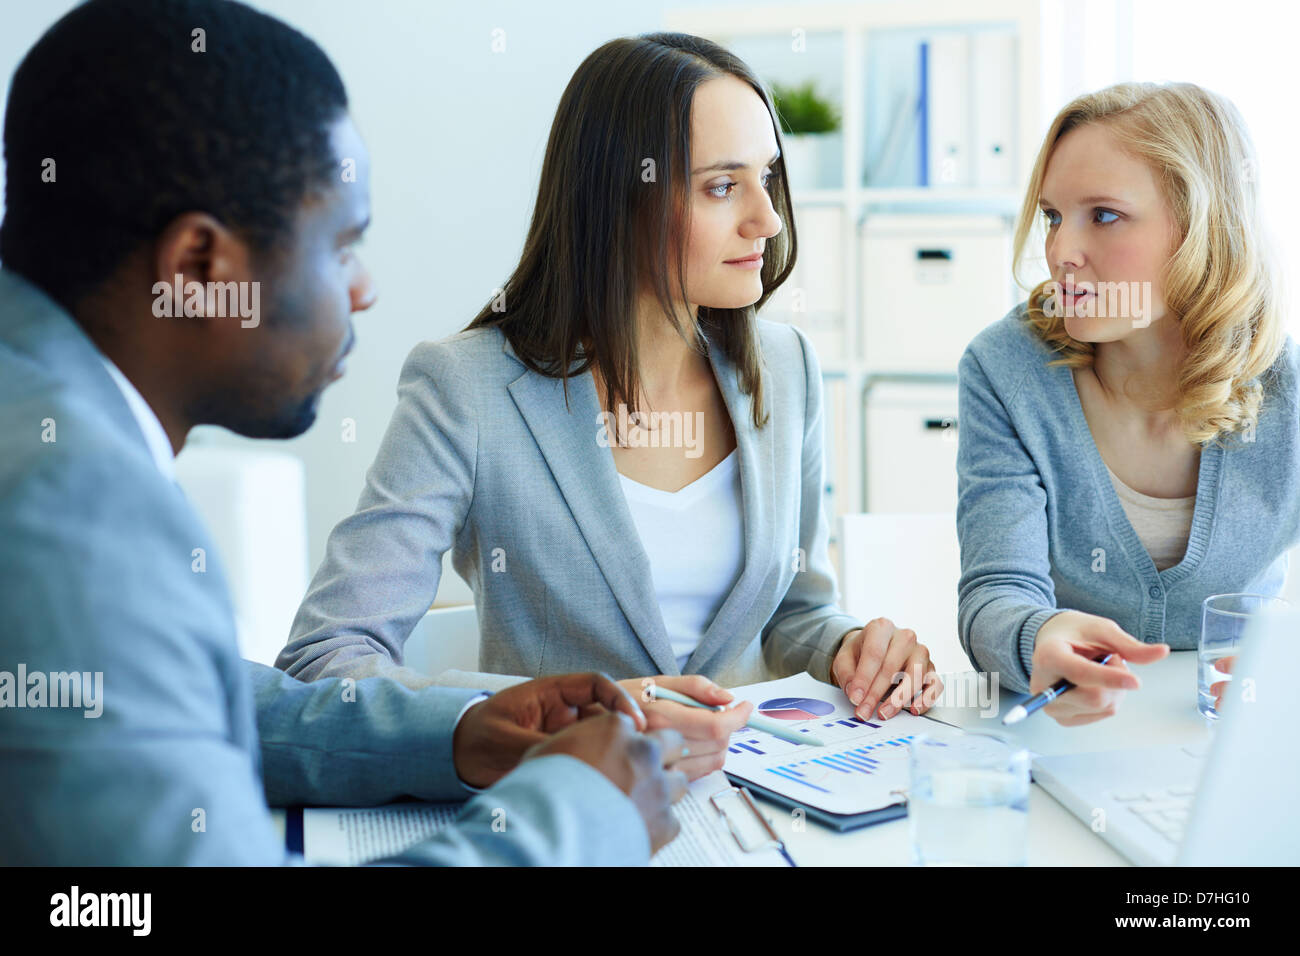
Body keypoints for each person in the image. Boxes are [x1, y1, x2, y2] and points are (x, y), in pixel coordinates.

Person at [0, 0, 687, 866]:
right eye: (341, 246)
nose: (363, 290)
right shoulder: (72, 505)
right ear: (201, 268)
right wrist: (583, 813)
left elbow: (164, 704)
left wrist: (460, 731)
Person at [276, 32, 945, 773]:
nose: (769, 219)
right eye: (724, 187)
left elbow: (795, 608)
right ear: (619, 197)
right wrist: (550, 718)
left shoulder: (786, 370)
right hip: (566, 811)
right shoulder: (465, 390)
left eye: (768, 178)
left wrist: (851, 648)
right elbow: (324, 660)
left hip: (755, 805)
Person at [956, 82, 1299, 725]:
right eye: (1054, 216)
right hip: (1069, 733)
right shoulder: (1006, 371)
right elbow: (995, 595)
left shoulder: (1287, 387)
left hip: (1239, 734)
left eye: (1104, 215)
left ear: (1203, 226)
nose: (1060, 252)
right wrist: (1036, 638)